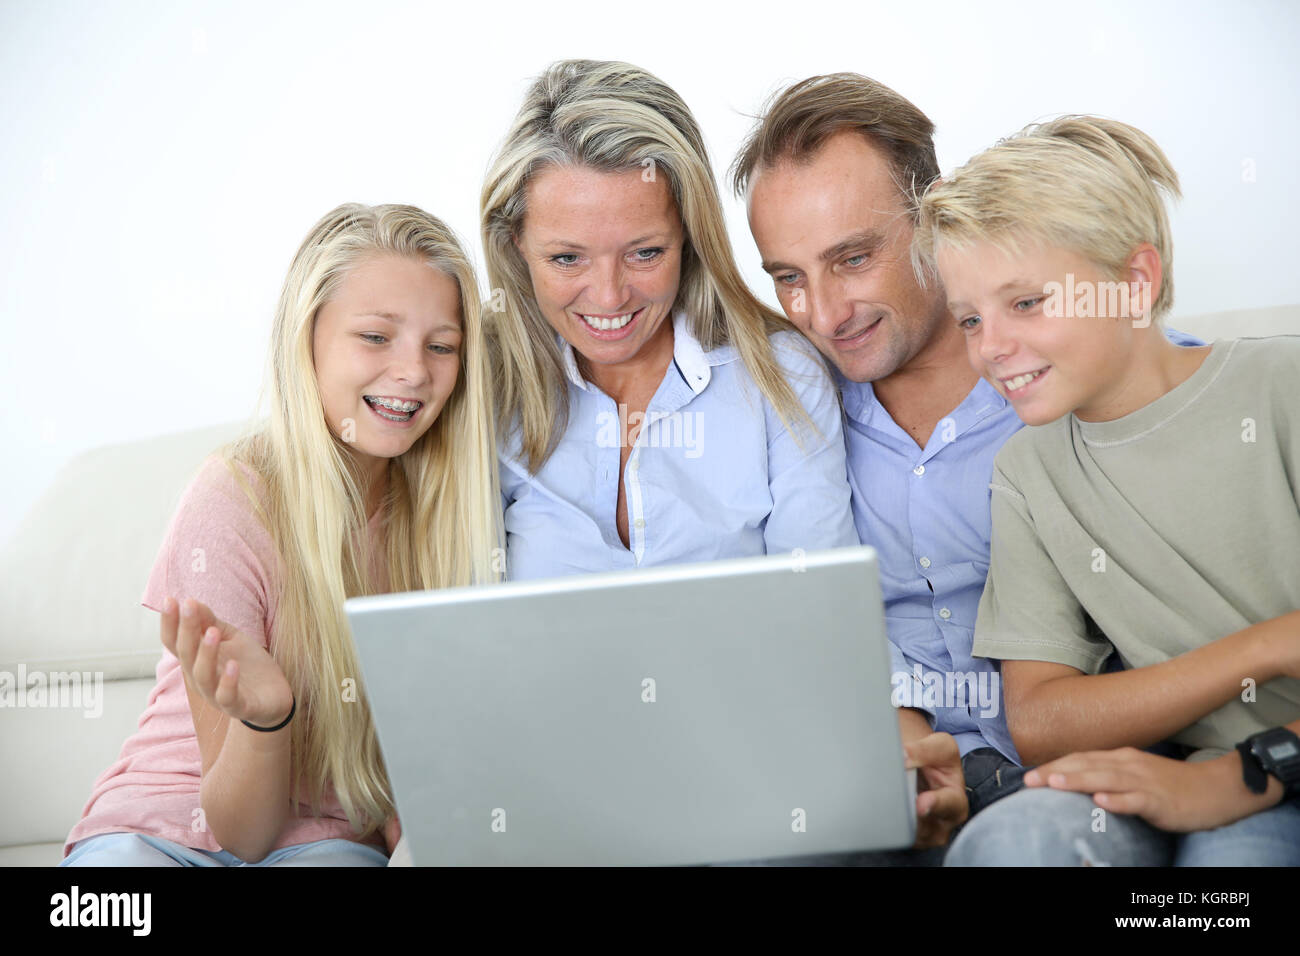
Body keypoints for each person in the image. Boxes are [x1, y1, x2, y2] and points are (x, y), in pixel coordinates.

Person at [732, 74, 1203, 846]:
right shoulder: (791, 423)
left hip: (1086, 789)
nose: (822, 312)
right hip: (898, 781)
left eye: (852, 258)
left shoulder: (1085, 381)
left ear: (933, 215)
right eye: (788, 276)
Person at [911, 115, 1300, 865]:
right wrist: (1268, 647)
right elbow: (1042, 720)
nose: (989, 347)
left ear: (1135, 282)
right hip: (1196, 780)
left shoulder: (1281, 390)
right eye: (969, 318)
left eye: (1025, 303)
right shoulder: (1030, 472)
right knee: (1019, 842)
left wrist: (1251, 770)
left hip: (1263, 780)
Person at [61, 203, 501, 866]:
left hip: (325, 842)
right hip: (159, 830)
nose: (413, 370)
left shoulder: (456, 516)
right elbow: (241, 830)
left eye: (441, 346)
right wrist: (266, 719)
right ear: (308, 341)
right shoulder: (235, 494)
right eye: (377, 337)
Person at [482, 59, 857, 582]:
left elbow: (823, 610)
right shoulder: (481, 383)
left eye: (645, 253)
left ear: (690, 234)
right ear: (516, 242)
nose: (610, 297)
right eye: (567, 259)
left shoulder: (781, 378)